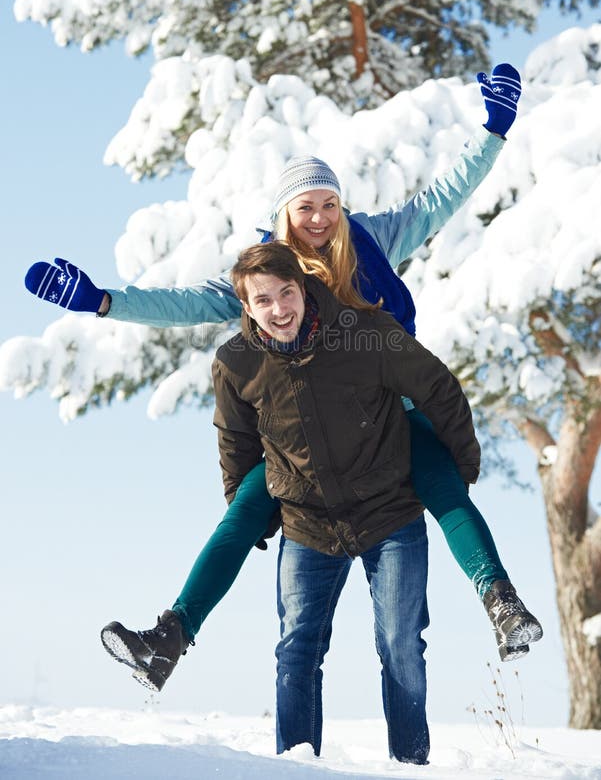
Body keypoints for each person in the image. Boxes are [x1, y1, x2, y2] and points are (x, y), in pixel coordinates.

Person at [24, 63, 542, 696]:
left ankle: (504, 605)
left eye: (329, 204)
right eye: (306, 207)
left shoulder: (372, 239)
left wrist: (493, 132)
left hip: (391, 412)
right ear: (284, 213)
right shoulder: (266, 276)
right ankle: (168, 640)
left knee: (444, 487)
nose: (320, 218)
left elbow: (442, 199)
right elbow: (189, 302)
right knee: (244, 512)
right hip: (303, 431)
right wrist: (105, 301)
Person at [219, 240, 484, 761]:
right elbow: (236, 442)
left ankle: (410, 765)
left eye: (286, 293)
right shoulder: (236, 363)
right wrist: (245, 505)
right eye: (263, 300)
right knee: (296, 652)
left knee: (401, 646)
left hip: (389, 513)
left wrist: (463, 463)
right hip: (307, 525)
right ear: (247, 308)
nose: (279, 309)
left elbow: (437, 386)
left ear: (303, 287)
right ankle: (295, 769)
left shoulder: (363, 333)